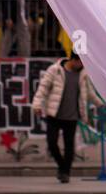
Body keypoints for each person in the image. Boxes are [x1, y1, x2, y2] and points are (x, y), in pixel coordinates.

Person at [31, 53, 101, 182]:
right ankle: (62, 166)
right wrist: (36, 105)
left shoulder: (83, 74)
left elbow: (90, 93)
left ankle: (65, 173)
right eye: (81, 62)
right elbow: (43, 88)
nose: (83, 65)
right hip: (54, 115)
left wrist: (102, 104)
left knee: (69, 147)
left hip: (72, 116)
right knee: (52, 143)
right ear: (74, 60)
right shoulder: (55, 70)